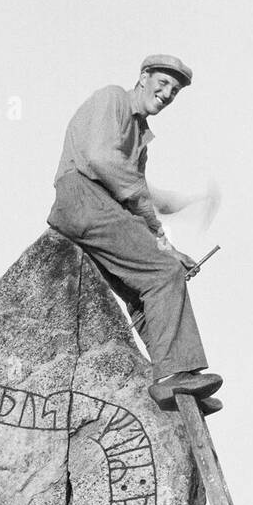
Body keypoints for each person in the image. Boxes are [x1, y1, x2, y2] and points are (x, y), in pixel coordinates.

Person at [47, 54, 223, 413]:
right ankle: (176, 373)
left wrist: (165, 246)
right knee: (163, 274)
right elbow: (101, 160)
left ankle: (174, 383)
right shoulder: (112, 98)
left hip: (97, 208)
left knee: (144, 290)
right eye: (163, 83)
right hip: (82, 197)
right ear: (144, 77)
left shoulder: (141, 138)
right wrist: (162, 247)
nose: (167, 93)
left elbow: (135, 200)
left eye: (174, 90)